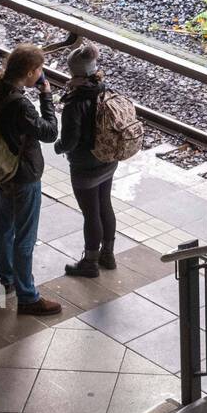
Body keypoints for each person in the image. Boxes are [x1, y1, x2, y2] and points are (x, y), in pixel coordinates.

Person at [0, 43, 61, 316]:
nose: (41, 73)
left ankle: (7, 279)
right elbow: (50, 133)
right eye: (39, 69)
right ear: (31, 72)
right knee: (25, 236)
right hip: (24, 175)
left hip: (1, 171)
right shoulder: (21, 105)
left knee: (5, 225)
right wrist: (46, 96)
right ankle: (28, 297)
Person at [56, 42, 120, 278]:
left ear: (75, 72)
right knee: (105, 205)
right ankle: (108, 254)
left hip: (85, 167)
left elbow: (70, 141)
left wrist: (57, 147)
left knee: (91, 213)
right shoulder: (104, 89)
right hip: (108, 159)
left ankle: (90, 262)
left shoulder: (74, 102)